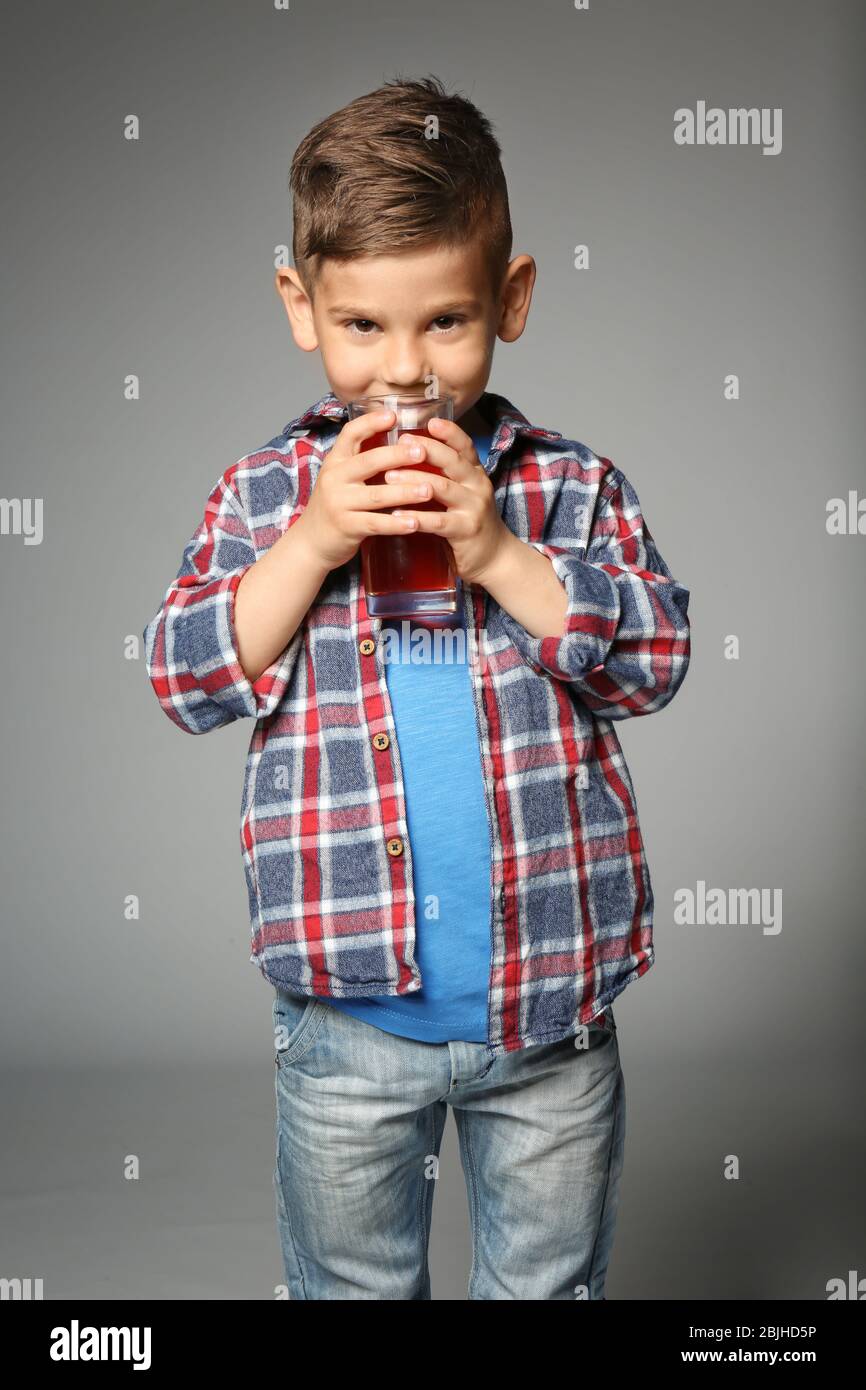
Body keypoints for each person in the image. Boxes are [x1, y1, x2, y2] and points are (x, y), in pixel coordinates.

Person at [142, 74, 691, 1300]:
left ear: (511, 298)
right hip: (345, 1028)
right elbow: (181, 675)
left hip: (548, 1021)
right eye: (362, 329)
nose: (406, 376)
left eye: (445, 323)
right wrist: (313, 543)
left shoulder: (569, 488)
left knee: (545, 1292)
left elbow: (656, 660)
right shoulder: (263, 496)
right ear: (300, 307)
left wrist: (498, 552)